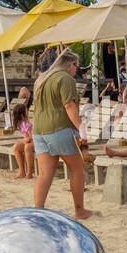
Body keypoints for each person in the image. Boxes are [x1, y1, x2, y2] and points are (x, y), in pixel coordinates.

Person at [32, 50, 93, 220]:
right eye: (77, 66)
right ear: (70, 64)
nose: (77, 69)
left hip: (39, 130)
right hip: (60, 127)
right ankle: (80, 210)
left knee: (45, 174)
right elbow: (69, 106)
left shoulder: (41, 80)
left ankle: (38, 210)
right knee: (77, 170)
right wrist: (81, 127)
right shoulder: (65, 79)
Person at [10, 102, 35, 179]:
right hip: (29, 141)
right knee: (16, 147)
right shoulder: (21, 123)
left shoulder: (26, 123)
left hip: (35, 141)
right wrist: (24, 141)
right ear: (22, 114)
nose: (27, 111)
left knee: (27, 147)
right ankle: (21, 171)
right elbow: (27, 138)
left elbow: (31, 137)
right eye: (26, 110)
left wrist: (24, 140)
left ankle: (30, 172)